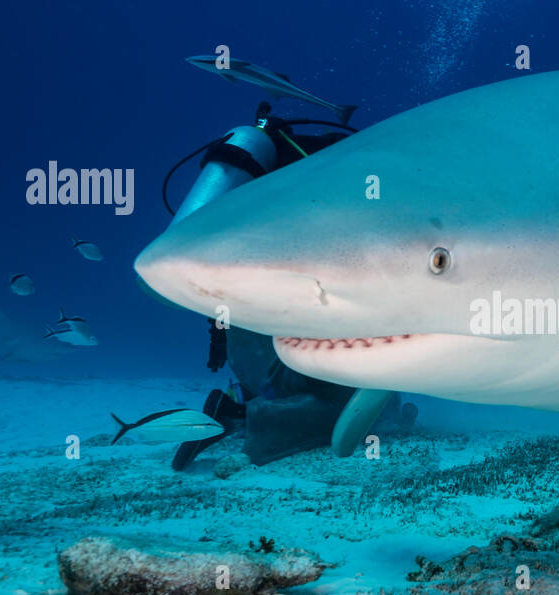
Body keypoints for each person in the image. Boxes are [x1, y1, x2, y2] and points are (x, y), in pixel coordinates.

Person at [160, 98, 399, 470]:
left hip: (242, 317)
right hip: (286, 315)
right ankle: (239, 417)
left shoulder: (271, 180)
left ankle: (241, 400)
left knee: (283, 378)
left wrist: (218, 335)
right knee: (343, 403)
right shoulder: (354, 188)